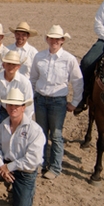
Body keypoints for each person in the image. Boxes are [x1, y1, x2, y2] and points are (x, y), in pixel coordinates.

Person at [29, 25, 82, 181]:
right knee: (41, 133)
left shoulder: (69, 59)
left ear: (62, 41)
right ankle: (40, 163)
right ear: (47, 39)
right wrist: (32, 97)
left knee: (57, 135)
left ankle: (55, 167)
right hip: (40, 98)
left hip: (58, 101)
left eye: (57, 39)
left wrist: (75, 102)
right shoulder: (39, 57)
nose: (54, 41)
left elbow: (78, 82)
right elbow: (33, 79)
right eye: (51, 38)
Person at [0, 50, 33, 152]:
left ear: (18, 66)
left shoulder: (25, 82)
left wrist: (24, 124)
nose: (11, 66)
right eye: (8, 64)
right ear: (3, 65)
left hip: (19, 113)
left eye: (14, 64)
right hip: (2, 111)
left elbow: (28, 107)